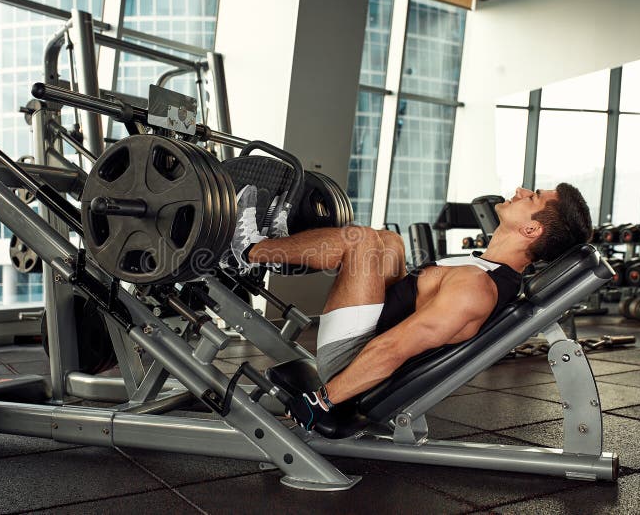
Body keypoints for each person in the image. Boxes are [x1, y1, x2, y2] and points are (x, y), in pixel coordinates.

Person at [224, 183, 592, 434]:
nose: (520, 191)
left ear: (531, 231)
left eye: (533, 198)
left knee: (363, 242)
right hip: (371, 333)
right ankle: (274, 246)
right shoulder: (489, 273)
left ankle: (250, 251)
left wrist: (322, 401)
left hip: (353, 360)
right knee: (389, 242)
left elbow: (394, 349)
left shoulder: (475, 289)